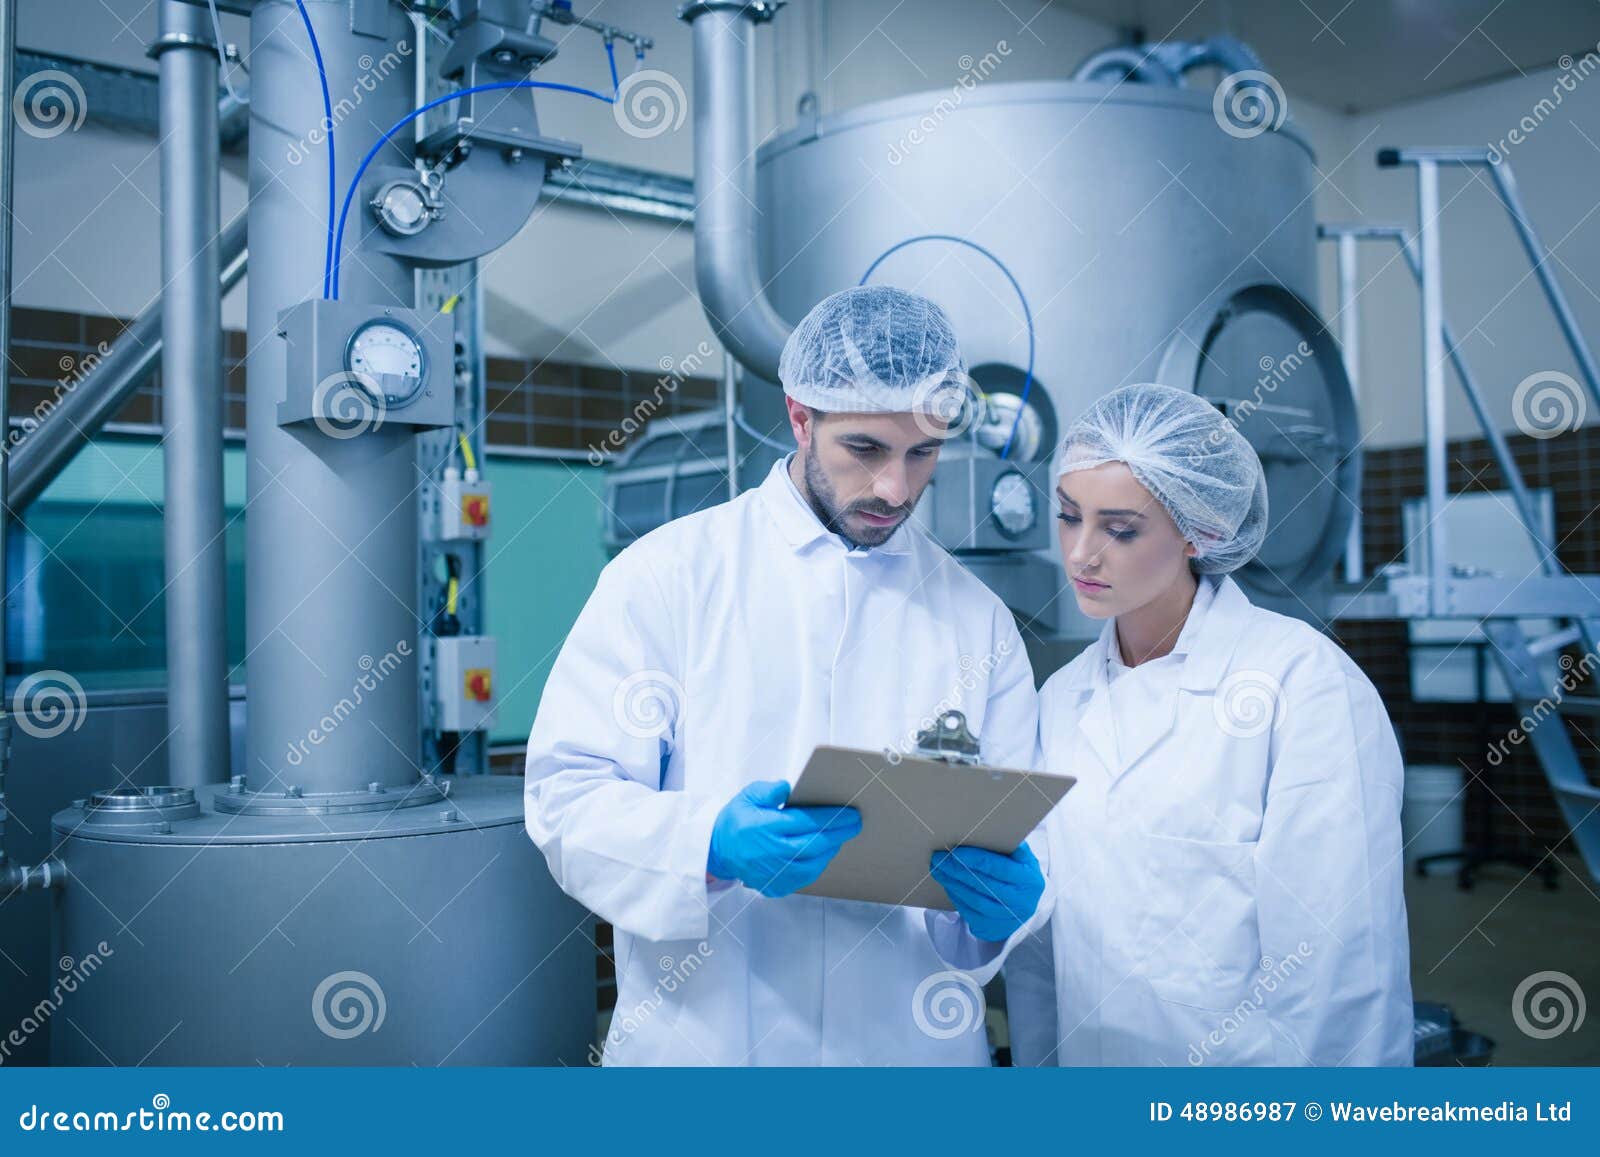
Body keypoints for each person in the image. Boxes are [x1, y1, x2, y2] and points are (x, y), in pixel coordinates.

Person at [524, 285, 1047, 1066]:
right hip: (707, 1049)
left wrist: (1001, 910)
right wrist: (708, 842)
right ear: (801, 417)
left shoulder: (979, 622)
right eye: (865, 448)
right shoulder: (669, 576)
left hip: (905, 1053)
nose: (896, 488)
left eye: (923, 453)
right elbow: (565, 800)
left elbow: (1018, 836)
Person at [1006, 382, 1412, 1067]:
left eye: (1120, 529)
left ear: (1204, 531)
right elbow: (1042, 958)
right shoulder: (1060, 698)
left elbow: (1342, 973)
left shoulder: (1303, 686)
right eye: (1069, 516)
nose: (1080, 554)